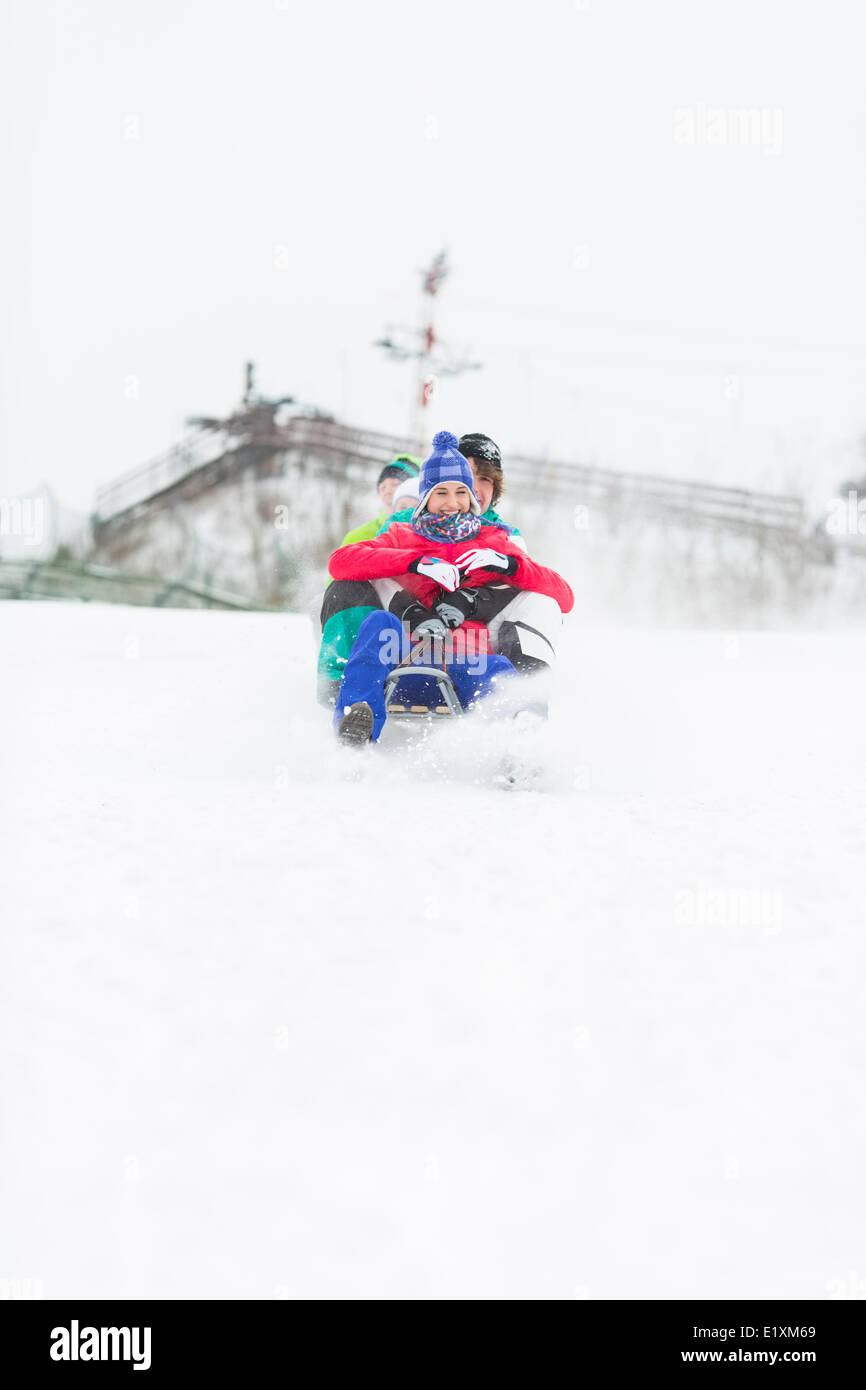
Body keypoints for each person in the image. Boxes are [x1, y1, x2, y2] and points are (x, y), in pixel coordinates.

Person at [329, 430, 573, 744]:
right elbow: (342, 561)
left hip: (465, 656)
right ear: (426, 495)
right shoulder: (403, 534)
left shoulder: (493, 539)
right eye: (441, 493)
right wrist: (414, 562)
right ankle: (356, 721)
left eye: (461, 492)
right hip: (403, 651)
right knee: (378, 623)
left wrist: (508, 565)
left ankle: (521, 739)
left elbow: (564, 595)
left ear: (471, 496)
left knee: (498, 668)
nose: (452, 503)